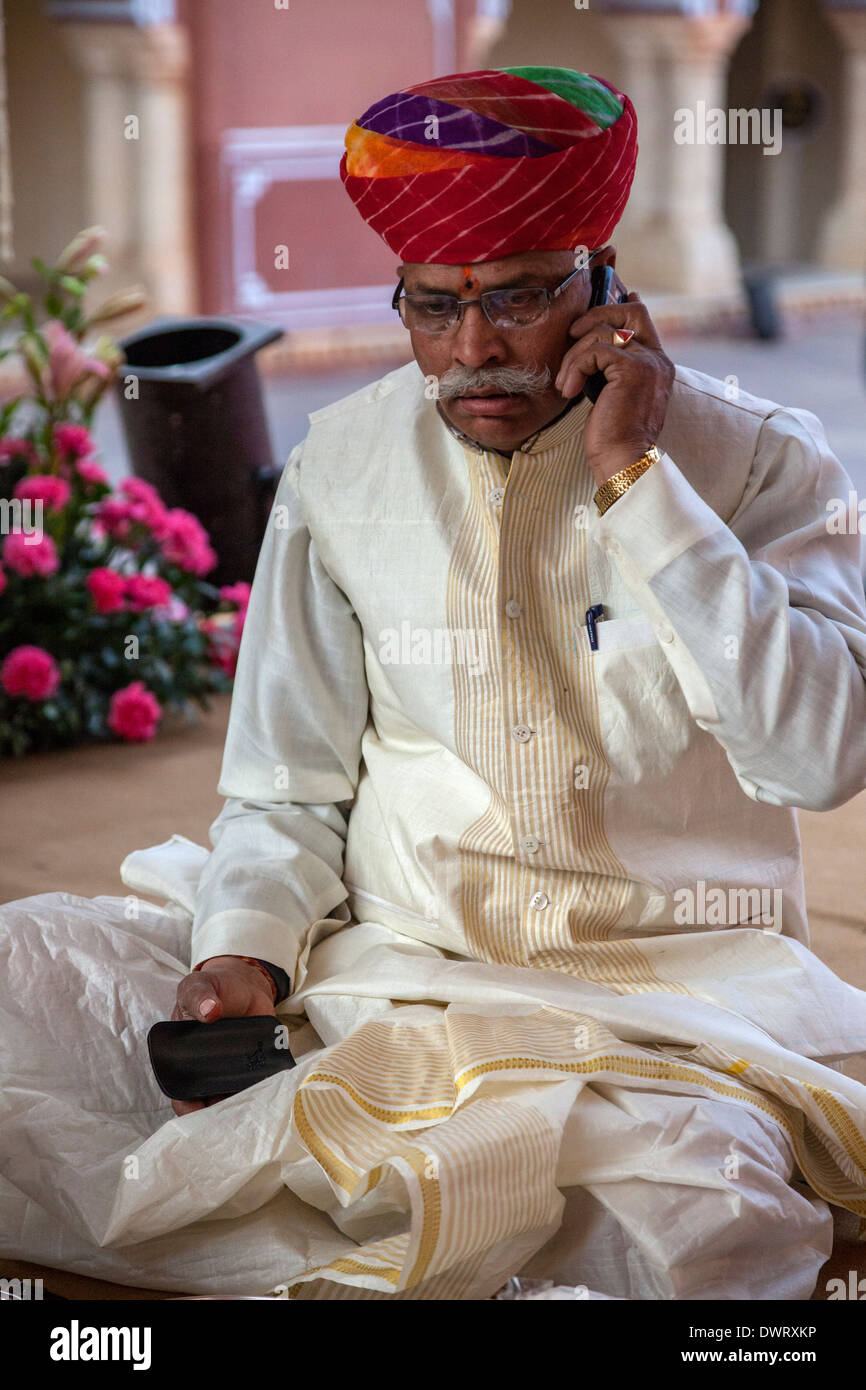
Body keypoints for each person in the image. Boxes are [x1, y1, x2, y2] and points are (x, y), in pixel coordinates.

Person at [2, 66, 866, 1302]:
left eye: (516, 298)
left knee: (700, 1219)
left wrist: (643, 490)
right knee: (20, 984)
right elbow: (284, 786)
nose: (471, 353)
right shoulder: (341, 465)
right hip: (387, 968)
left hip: (670, 1002)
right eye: (431, 307)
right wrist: (244, 954)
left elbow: (817, 754)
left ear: (601, 280)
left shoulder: (758, 461)